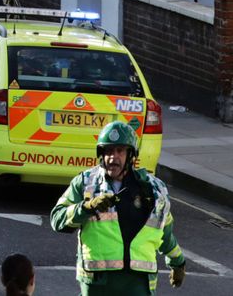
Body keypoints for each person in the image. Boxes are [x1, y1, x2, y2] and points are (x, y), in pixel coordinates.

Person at [50, 120, 186, 295]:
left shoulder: (154, 189)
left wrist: (178, 262)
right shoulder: (85, 183)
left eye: (120, 151)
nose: (113, 157)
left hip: (138, 284)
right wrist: (86, 207)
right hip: (98, 283)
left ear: (131, 155)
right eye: (108, 151)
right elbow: (57, 219)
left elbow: (164, 232)